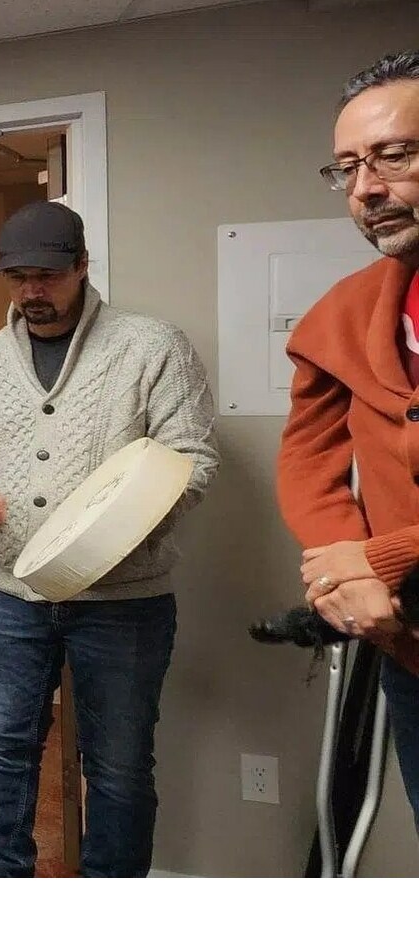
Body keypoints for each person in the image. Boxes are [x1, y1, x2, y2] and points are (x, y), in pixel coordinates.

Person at [0, 200, 217, 878]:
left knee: (118, 763)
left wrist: (112, 529)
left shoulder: (153, 346)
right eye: (17, 277)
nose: (33, 291)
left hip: (124, 599)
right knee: (5, 746)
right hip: (7, 592)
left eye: (48, 275)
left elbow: (194, 459)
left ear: (83, 265)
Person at [278, 51, 419, 828]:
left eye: (394, 155)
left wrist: (378, 560)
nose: (366, 188)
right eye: (348, 168)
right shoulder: (345, 314)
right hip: (410, 648)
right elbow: (309, 458)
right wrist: (344, 562)